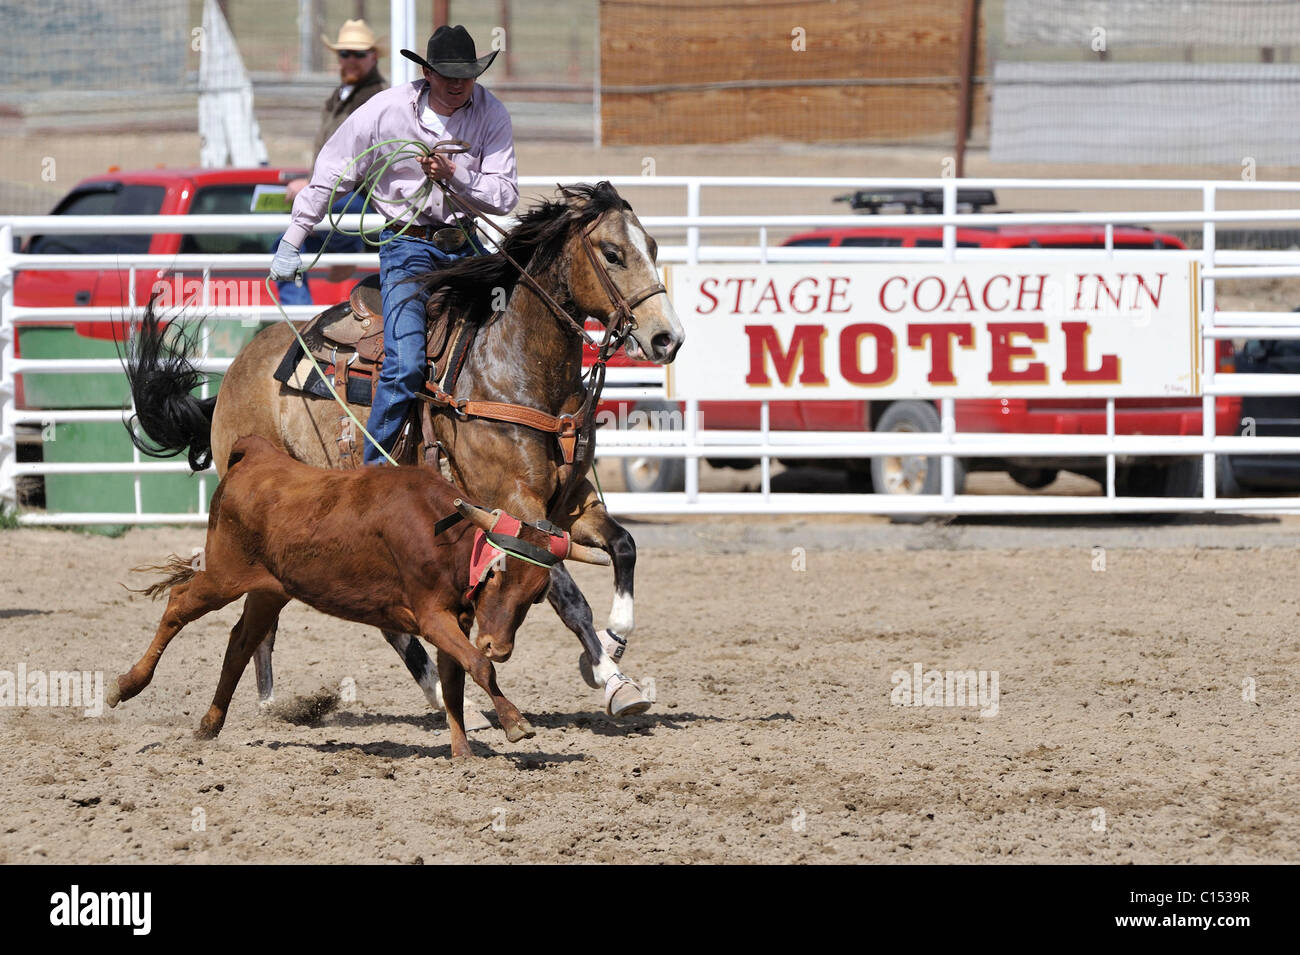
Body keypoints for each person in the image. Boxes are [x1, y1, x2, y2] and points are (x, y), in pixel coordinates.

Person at [270, 25, 518, 465]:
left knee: (514, 342)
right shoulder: (385, 110)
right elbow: (332, 172)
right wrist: (294, 239)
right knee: (406, 365)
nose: (458, 83)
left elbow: (505, 196)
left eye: (466, 73)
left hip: (466, 243)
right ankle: (376, 470)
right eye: (447, 73)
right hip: (408, 245)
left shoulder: (491, 113)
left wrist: (456, 175)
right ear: (427, 72)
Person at [276, 18, 388, 306]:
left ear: (373, 57)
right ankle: (300, 324)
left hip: (364, 196)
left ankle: (349, 244)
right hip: (339, 192)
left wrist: (312, 186)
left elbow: (363, 160)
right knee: (283, 244)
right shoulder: (341, 95)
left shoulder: (376, 98)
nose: (350, 60)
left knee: (323, 213)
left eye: (359, 54)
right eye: (344, 54)